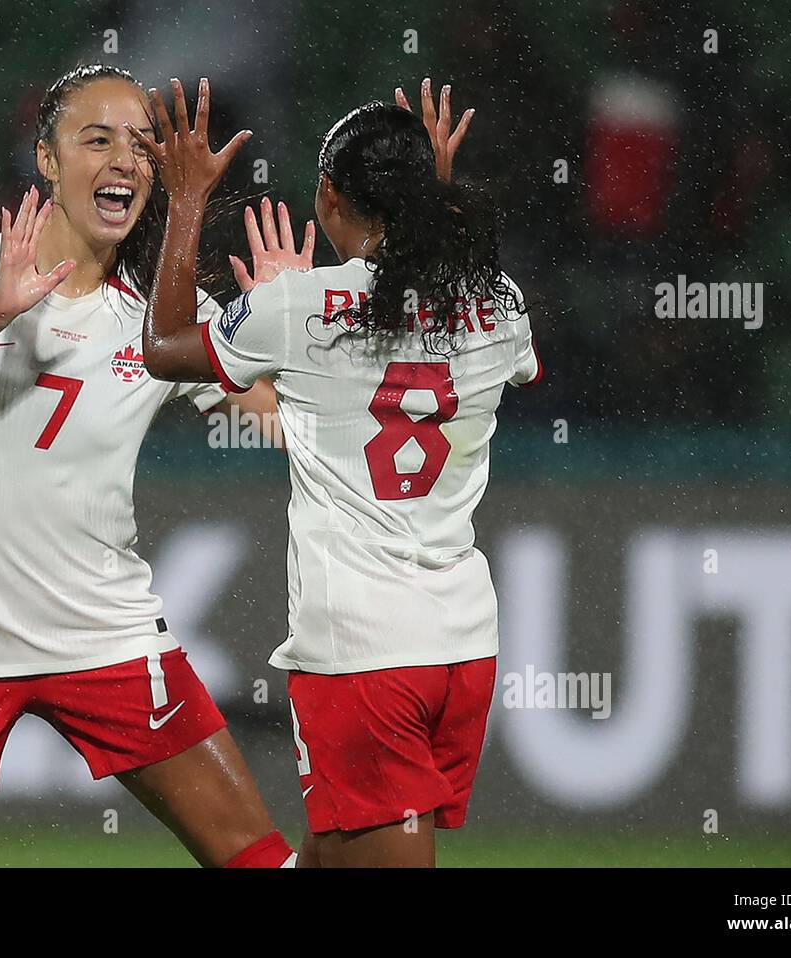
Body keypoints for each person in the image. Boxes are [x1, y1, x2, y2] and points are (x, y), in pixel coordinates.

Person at [0, 64, 296, 868]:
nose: (123, 160)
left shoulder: (163, 317)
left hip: (106, 638)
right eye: (96, 140)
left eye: (140, 144)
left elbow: (289, 432)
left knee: (261, 859)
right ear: (48, 161)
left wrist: (291, 328)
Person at [130, 77, 542, 867]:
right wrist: (437, 197)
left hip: (363, 653)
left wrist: (185, 199)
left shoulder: (306, 306)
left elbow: (164, 345)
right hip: (463, 645)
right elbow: (493, 350)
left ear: (328, 194)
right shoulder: (502, 300)